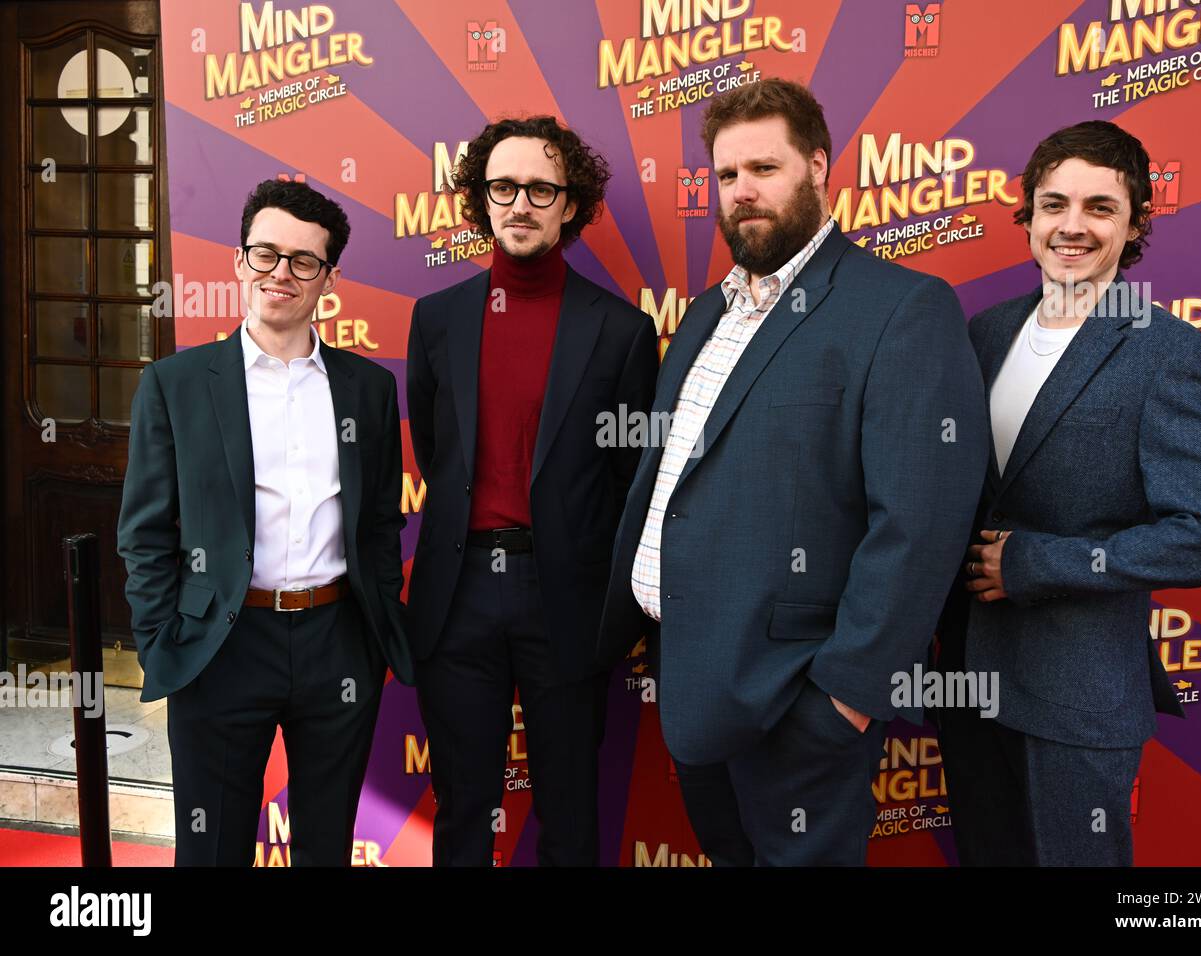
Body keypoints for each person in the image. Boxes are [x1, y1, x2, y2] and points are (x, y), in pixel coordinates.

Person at [597, 78, 987, 866]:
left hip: (798, 694)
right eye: (728, 175)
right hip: (690, 673)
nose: (742, 192)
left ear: (818, 166)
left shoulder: (901, 308)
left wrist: (846, 695)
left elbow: (921, 519)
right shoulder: (706, 311)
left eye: (764, 169)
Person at [936, 120, 1201, 866]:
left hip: (1078, 689)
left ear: (1137, 220)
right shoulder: (985, 332)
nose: (1071, 227)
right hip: (967, 679)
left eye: (1099, 208)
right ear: (1028, 215)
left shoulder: (1168, 350)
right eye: (1053, 205)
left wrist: (1038, 564)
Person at [118, 179, 413, 865]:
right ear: (238, 261)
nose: (282, 273)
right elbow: (145, 532)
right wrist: (165, 637)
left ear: (329, 277)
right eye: (266, 254)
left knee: (325, 846)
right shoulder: (175, 384)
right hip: (220, 646)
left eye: (304, 261)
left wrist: (372, 639)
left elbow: (377, 523)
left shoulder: (368, 388)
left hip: (337, 642)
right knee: (211, 847)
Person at [406, 116, 659, 866]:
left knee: (571, 815)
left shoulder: (621, 332)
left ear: (571, 204)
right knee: (460, 813)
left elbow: (630, 481)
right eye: (504, 186)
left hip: (570, 599)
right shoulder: (436, 320)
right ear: (480, 199)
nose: (521, 203)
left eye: (541, 188)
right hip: (458, 599)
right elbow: (435, 450)